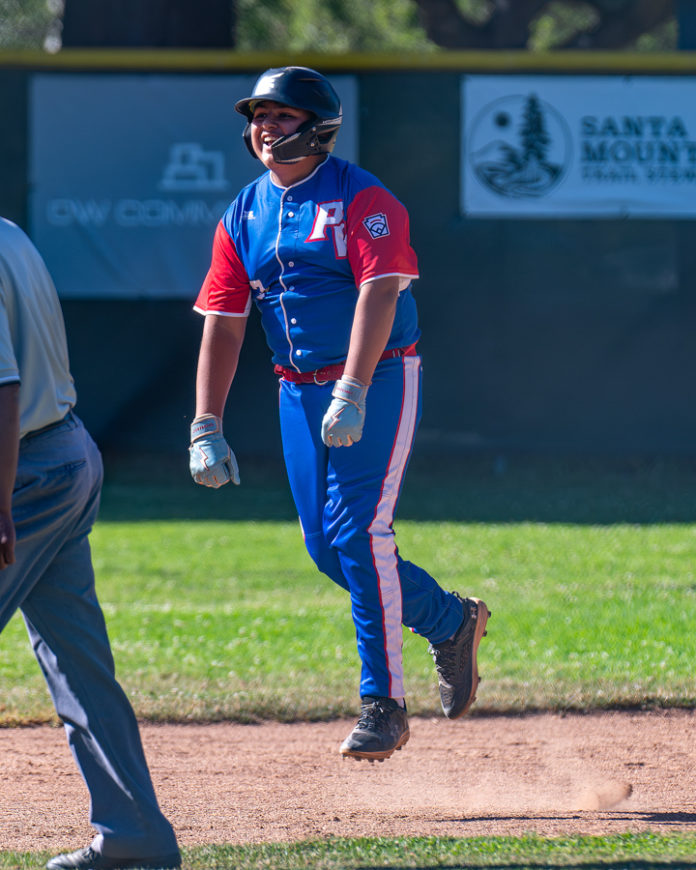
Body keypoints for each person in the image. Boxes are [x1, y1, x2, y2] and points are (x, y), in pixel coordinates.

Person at [188, 66, 490, 763]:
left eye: (282, 115)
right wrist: (206, 424)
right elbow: (225, 322)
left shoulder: (363, 197)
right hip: (296, 388)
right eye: (260, 115)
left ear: (318, 126)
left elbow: (380, 292)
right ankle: (450, 621)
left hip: (379, 376)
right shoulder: (243, 211)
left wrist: (352, 388)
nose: (267, 127)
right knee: (327, 549)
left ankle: (383, 704)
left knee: (359, 532)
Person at [0, 217, 181, 870]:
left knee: (78, 660)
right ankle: (135, 833)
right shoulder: (11, 235)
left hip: (23, 477)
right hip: (67, 452)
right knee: (77, 661)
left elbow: (4, 388)